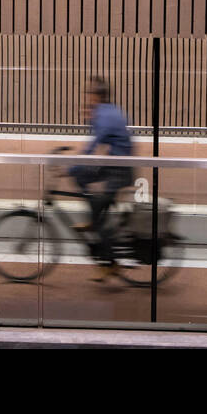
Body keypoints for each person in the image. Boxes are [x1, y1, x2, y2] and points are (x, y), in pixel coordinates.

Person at [69, 76, 134, 274]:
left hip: (119, 172)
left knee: (101, 218)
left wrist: (74, 166)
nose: (87, 98)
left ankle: (111, 264)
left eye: (89, 93)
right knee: (82, 177)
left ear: (97, 96)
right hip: (115, 166)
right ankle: (93, 217)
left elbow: (94, 145)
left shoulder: (105, 115)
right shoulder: (108, 111)